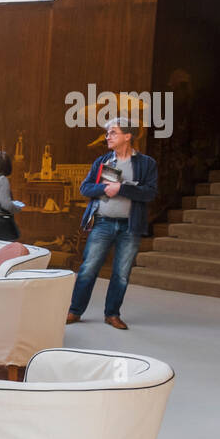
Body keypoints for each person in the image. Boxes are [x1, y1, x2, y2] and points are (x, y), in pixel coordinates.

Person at [67, 118, 158, 330]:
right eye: (108, 133)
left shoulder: (146, 164)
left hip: (130, 227)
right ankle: (75, 311)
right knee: (88, 269)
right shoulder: (103, 162)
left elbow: (150, 193)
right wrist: (103, 189)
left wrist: (122, 188)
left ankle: (112, 314)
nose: (108, 136)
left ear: (128, 136)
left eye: (113, 132)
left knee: (121, 274)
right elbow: (85, 188)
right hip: (102, 224)